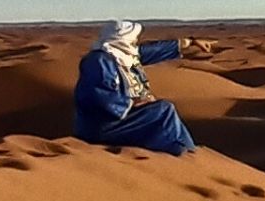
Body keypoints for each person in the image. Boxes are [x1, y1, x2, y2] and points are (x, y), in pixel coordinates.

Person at [73, 20, 208, 155]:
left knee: (160, 111)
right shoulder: (98, 61)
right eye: (132, 38)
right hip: (102, 127)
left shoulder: (122, 57)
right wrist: (133, 102)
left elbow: (151, 51)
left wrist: (190, 42)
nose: (136, 41)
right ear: (121, 39)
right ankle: (185, 154)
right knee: (163, 111)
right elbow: (100, 97)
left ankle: (184, 150)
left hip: (114, 120)